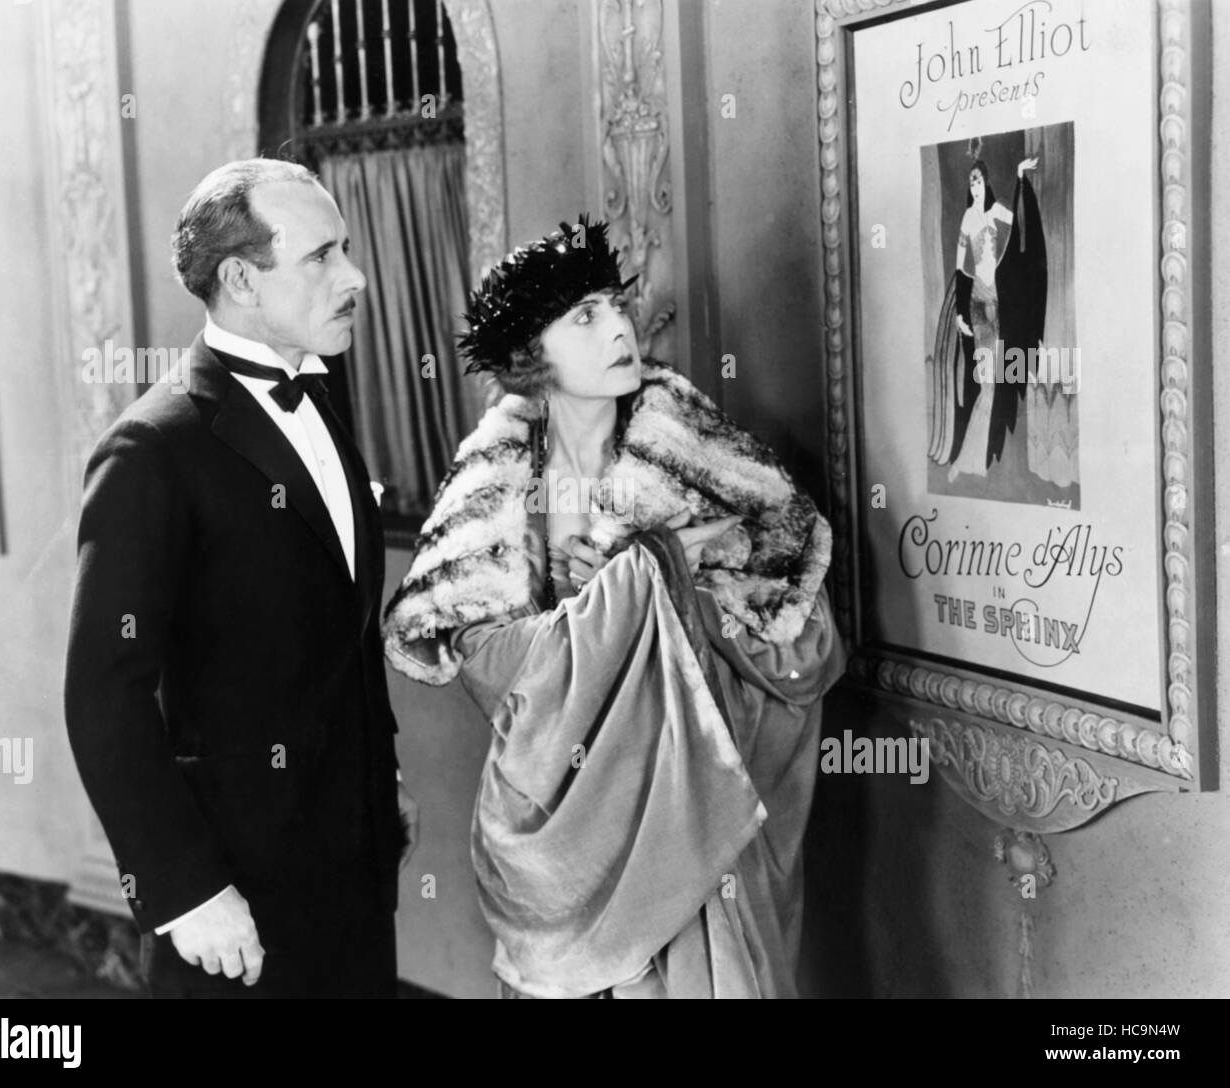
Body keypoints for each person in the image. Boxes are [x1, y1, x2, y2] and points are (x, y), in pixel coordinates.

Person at [383, 216, 844, 998]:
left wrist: (669, 581)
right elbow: (500, 674)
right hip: (560, 840)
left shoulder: (700, 458)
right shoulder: (491, 495)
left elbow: (801, 632)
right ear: (532, 356)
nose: (619, 329)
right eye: (584, 317)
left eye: (616, 306)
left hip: (691, 815)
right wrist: (640, 580)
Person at [64, 158, 417, 998]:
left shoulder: (321, 395)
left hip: (355, 866)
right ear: (239, 280)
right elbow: (103, 694)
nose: (354, 277)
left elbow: (336, 628)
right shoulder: (151, 451)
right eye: (322, 257)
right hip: (233, 903)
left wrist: (384, 774)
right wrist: (184, 890)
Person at [929, 154, 1045, 481]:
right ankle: (969, 459)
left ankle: (973, 460)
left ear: (986, 183)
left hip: (998, 301)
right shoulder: (968, 218)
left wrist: (1020, 177)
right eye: (971, 182)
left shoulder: (996, 212)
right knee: (985, 382)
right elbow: (958, 267)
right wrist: (957, 315)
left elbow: (1020, 222)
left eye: (978, 180)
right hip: (978, 302)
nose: (975, 186)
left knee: (994, 382)